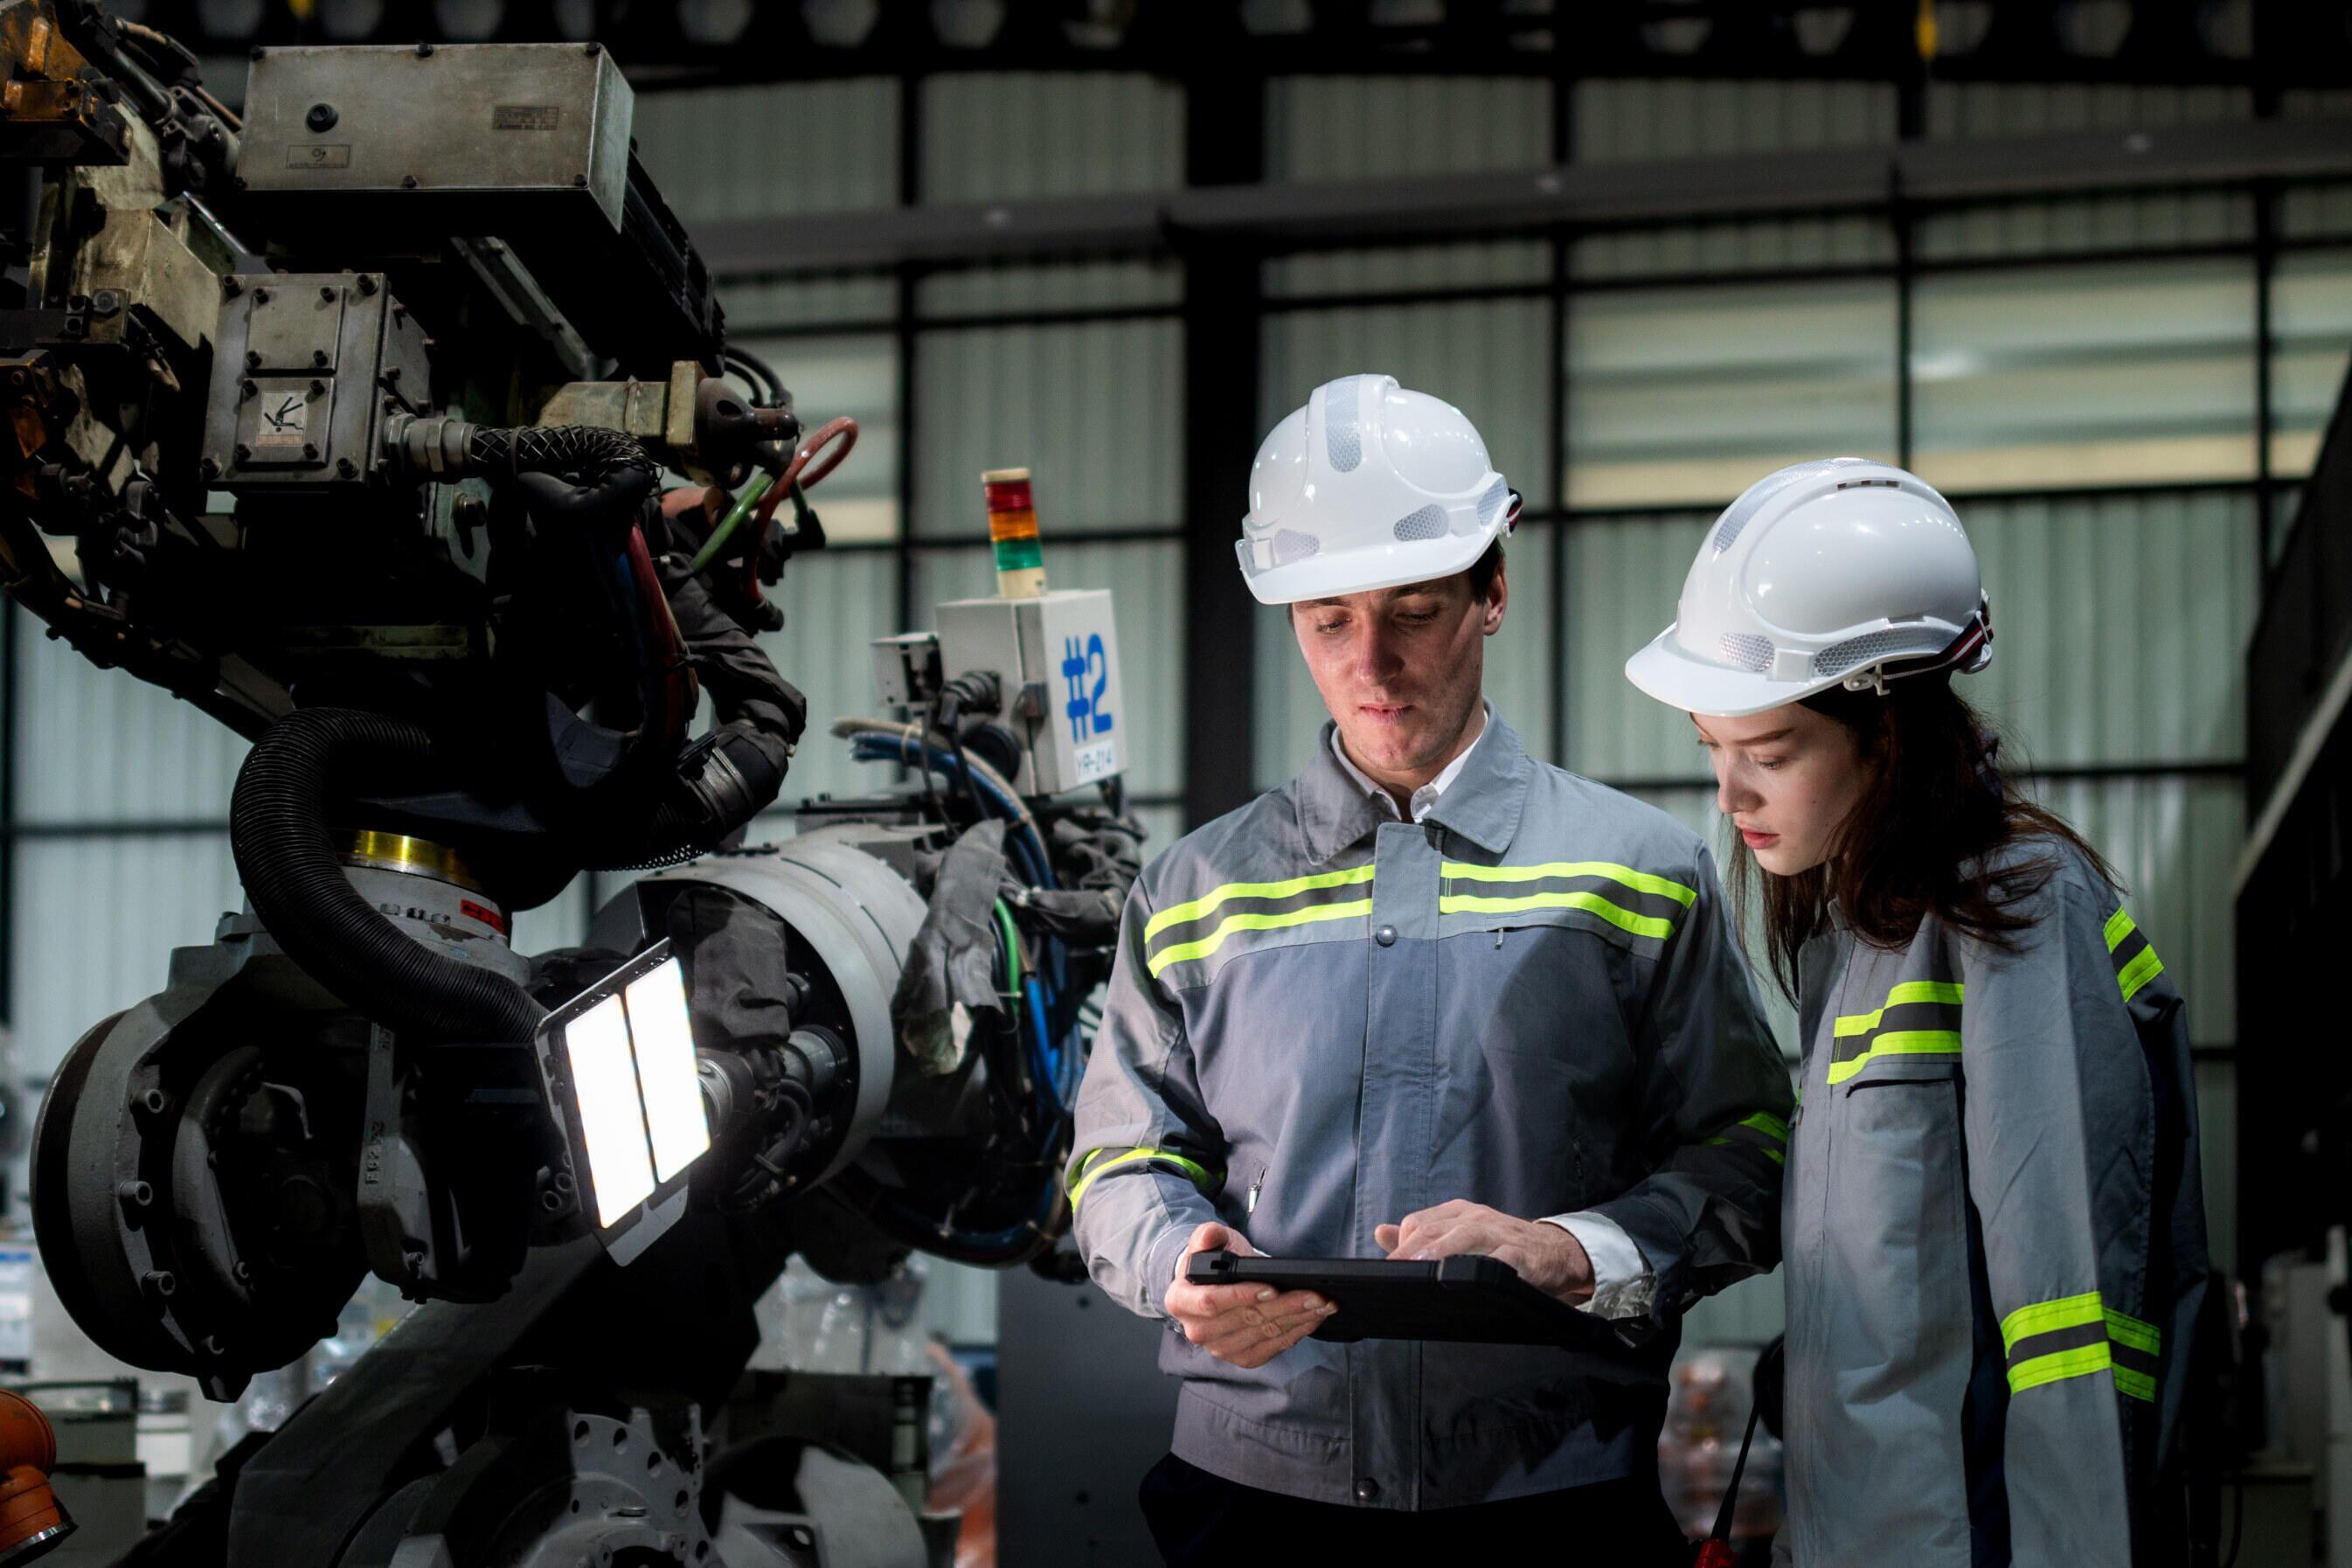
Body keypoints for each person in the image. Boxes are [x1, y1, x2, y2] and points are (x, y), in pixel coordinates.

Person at [1067, 372, 1793, 1562]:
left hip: (1547, 1502)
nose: (1372, 662)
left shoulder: (1637, 872)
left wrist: (1572, 1251)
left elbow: (1751, 1154)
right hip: (1250, 1506)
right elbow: (1119, 1153)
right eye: (1326, 620)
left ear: (1490, 588)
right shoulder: (1193, 889)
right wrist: (1177, 1261)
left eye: (1412, 610)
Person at [1622, 457, 2210, 1565]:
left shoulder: (2018, 911)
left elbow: (2070, 1313)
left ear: (1886, 738)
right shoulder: (1856, 935)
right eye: (1714, 750)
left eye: (1770, 752)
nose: (1729, 795)